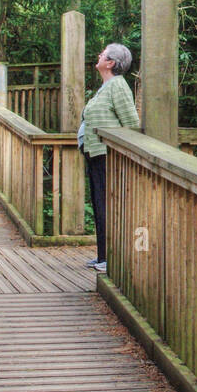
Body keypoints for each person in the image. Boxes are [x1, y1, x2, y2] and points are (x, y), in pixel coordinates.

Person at [77, 43, 140, 273]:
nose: (99, 55)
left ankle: (110, 259)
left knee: (108, 205)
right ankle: (103, 255)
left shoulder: (118, 86)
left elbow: (131, 123)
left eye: (102, 53)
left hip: (108, 156)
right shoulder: (105, 87)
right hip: (95, 153)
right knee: (99, 204)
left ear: (111, 63)